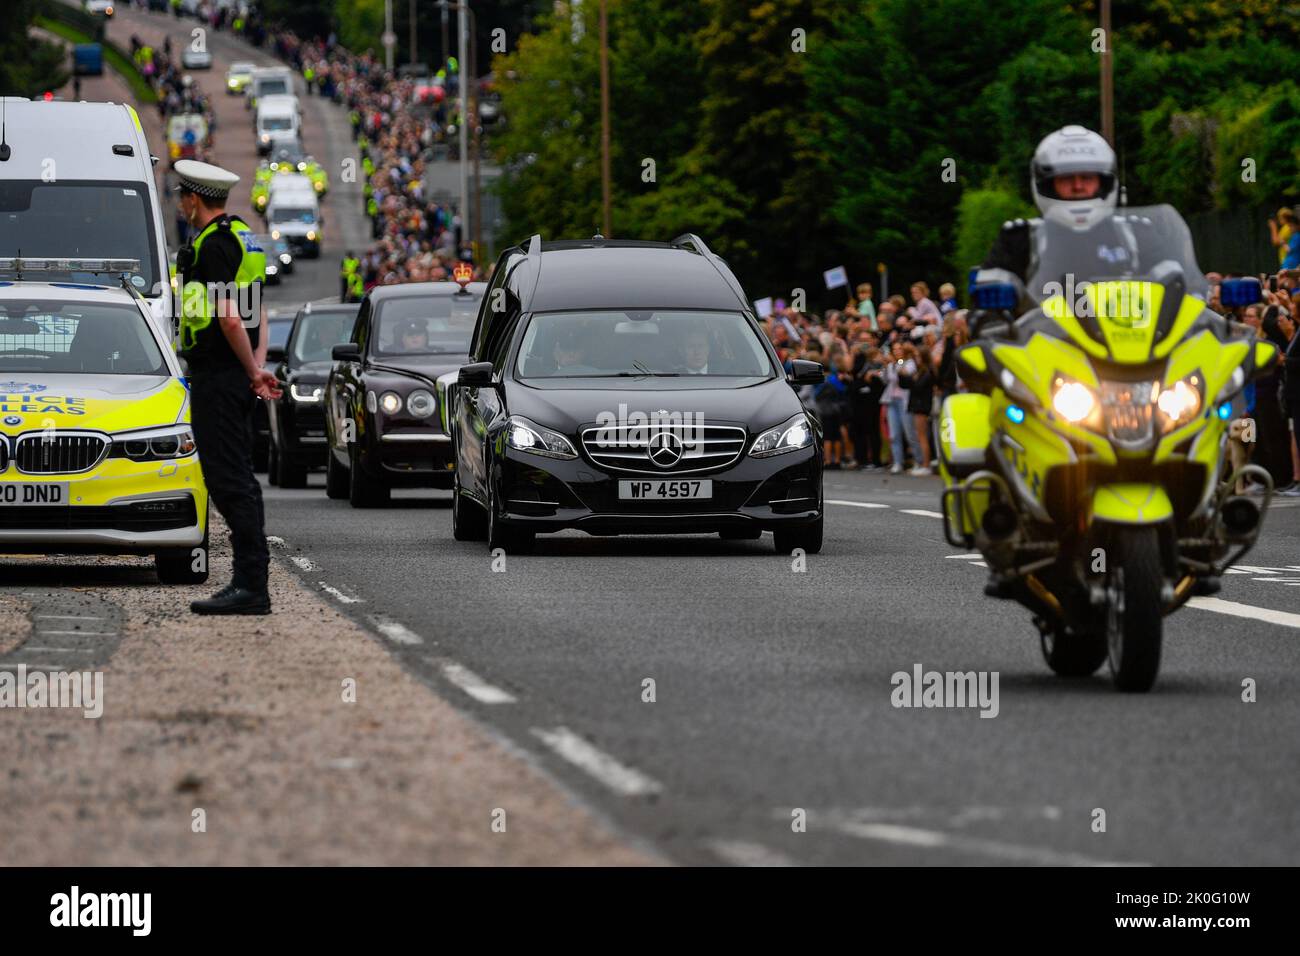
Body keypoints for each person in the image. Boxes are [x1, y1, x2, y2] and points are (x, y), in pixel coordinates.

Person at [174, 160, 281, 615]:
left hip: (219, 375)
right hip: (236, 373)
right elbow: (260, 313)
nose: (181, 206)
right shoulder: (244, 239)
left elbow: (229, 316)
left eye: (182, 198)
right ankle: (249, 581)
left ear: (193, 201)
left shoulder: (213, 246)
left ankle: (250, 585)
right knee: (239, 477)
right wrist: (256, 366)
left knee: (227, 479)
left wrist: (251, 372)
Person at [980, 125, 1120, 289]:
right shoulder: (1020, 239)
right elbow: (987, 298)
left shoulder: (1132, 234)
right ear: (1048, 184)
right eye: (1066, 178)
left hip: (1125, 315)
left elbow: (1158, 276)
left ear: (1103, 182)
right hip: (1044, 315)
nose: (1078, 186)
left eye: (1087, 177)